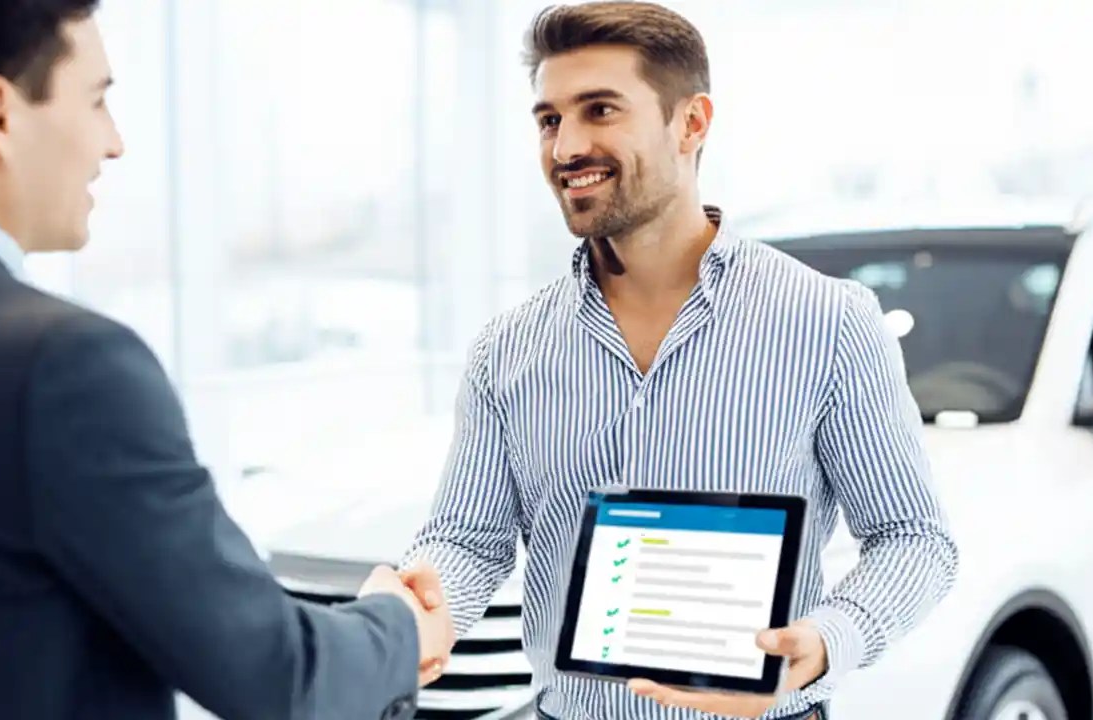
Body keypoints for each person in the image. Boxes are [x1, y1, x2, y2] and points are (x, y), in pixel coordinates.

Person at [0, 2, 452, 719]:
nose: (112, 144)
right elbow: (278, 679)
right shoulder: (64, 366)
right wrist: (398, 626)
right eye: (96, 100)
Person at [396, 2, 959, 719]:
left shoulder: (828, 321)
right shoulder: (505, 351)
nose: (566, 146)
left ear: (691, 123)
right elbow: (467, 542)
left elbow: (913, 539)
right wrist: (419, 609)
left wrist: (826, 640)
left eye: (600, 110)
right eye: (549, 120)